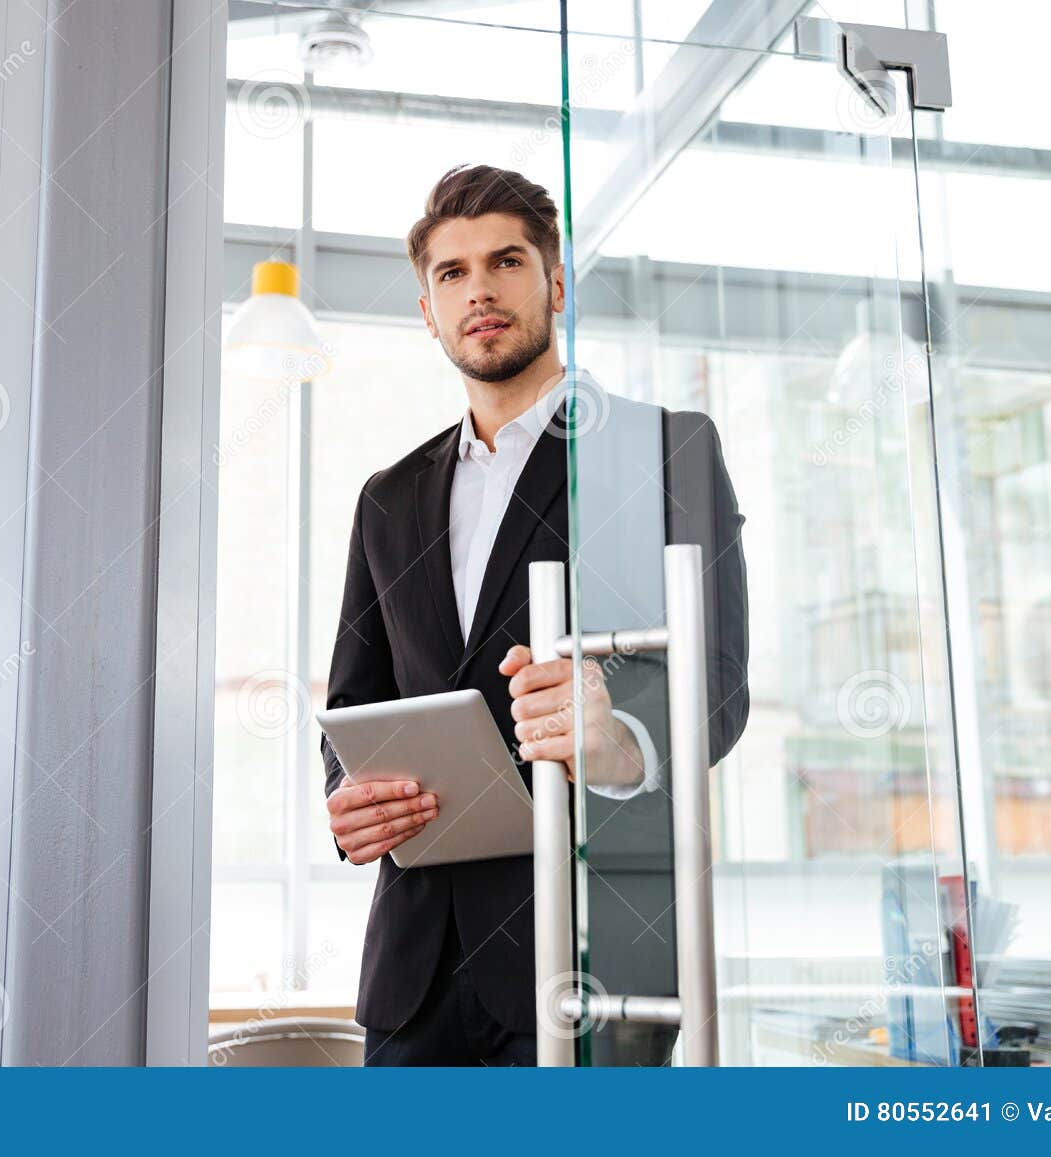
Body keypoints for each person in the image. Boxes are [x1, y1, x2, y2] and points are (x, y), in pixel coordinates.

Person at [319, 164, 749, 1066]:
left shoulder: (664, 449)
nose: (479, 289)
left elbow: (719, 691)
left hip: (590, 960)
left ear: (555, 283)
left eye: (506, 261)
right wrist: (348, 801)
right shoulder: (387, 498)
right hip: (415, 972)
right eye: (451, 273)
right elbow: (354, 706)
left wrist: (615, 737)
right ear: (427, 311)